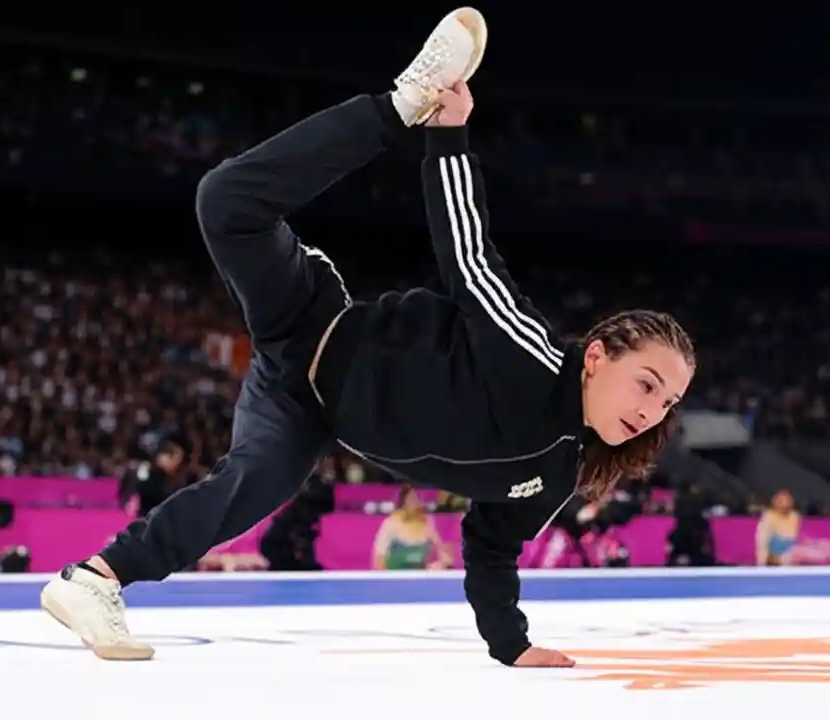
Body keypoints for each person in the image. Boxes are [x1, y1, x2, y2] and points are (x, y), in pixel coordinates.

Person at [40, 7, 695, 668]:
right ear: (595, 357)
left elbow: (491, 544)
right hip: (314, 318)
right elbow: (469, 260)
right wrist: (446, 137)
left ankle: (94, 582)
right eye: (648, 383)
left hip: (308, 408)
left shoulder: (555, 475)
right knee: (225, 202)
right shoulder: (528, 355)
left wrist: (512, 644)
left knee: (256, 482)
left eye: (668, 403)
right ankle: (395, 104)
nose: (651, 411)